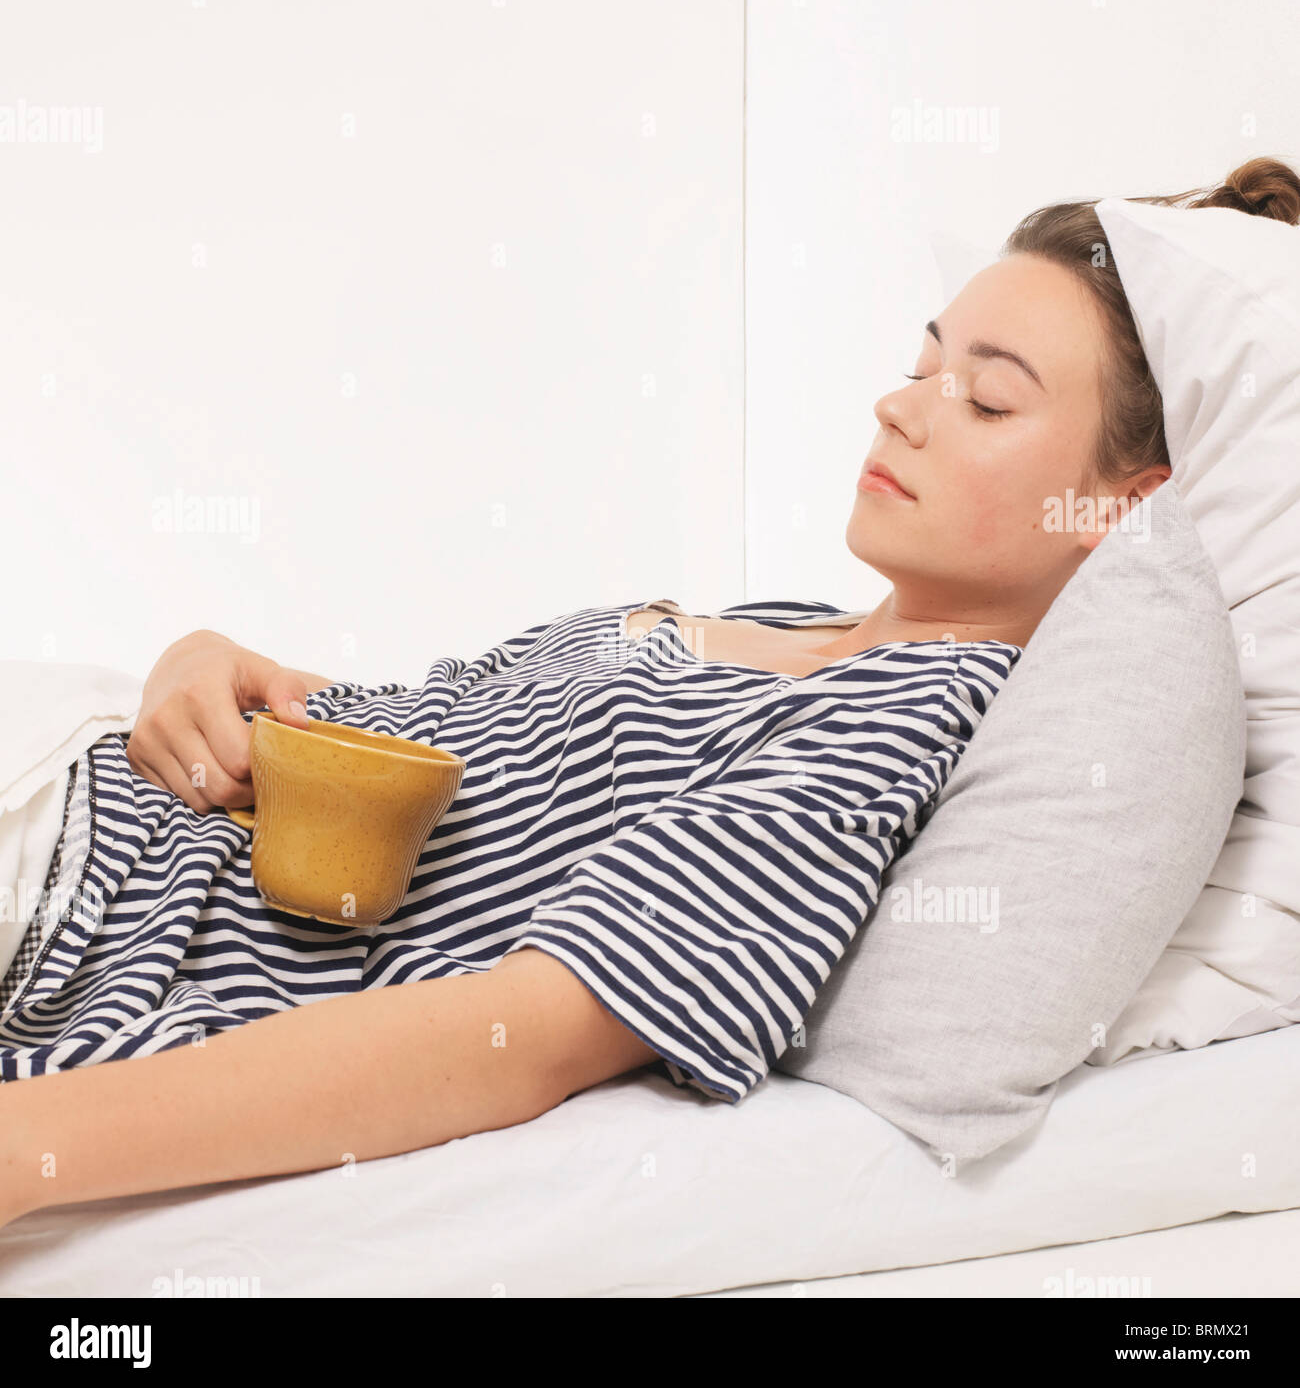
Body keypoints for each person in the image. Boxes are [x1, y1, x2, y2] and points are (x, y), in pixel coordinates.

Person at [1, 156, 1295, 1230]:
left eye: (989, 396)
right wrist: (203, 665)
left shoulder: (889, 733)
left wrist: (26, 1152)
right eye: (923, 359)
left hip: (66, 908)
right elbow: (443, 751)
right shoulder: (793, 628)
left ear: (1124, 508)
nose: (903, 409)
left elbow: (522, 1033)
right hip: (71, 769)